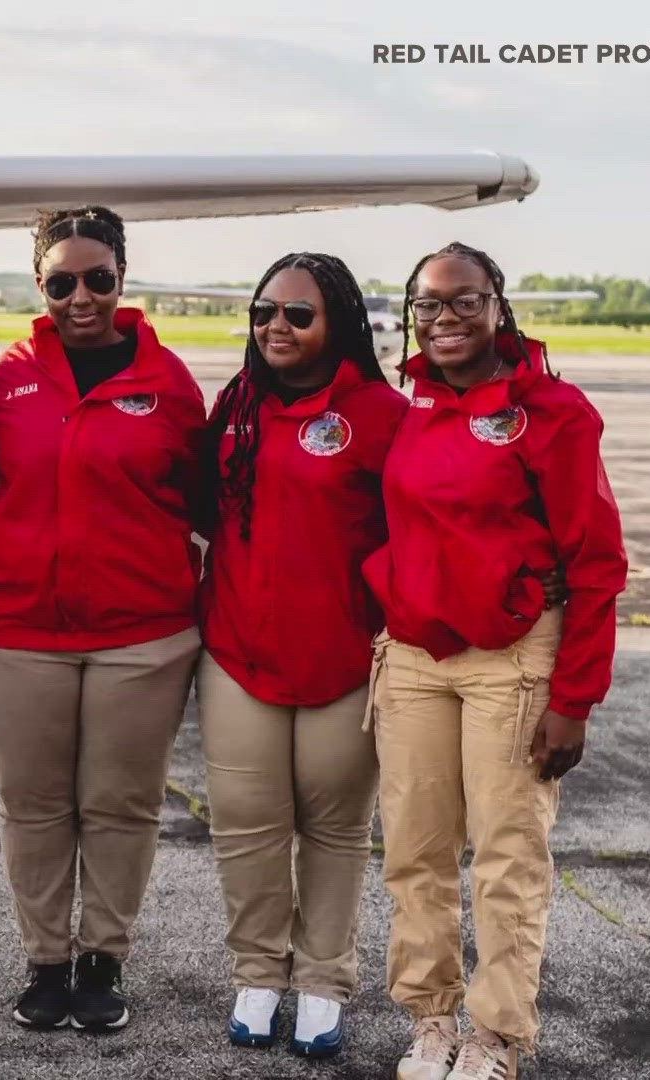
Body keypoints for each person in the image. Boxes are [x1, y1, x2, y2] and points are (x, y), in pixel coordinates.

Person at [365, 242, 626, 1080]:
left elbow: (595, 563)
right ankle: (431, 1019)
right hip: (412, 660)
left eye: (463, 302)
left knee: (508, 857)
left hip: (512, 661)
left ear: (498, 307)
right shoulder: (413, 407)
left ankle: (498, 1035)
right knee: (414, 851)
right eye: (429, 305)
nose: (444, 319)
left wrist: (575, 697)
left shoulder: (553, 411)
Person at [0, 205, 206, 1032]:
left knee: (120, 804)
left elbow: (206, 500)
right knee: (32, 805)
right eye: (61, 282)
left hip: (142, 635)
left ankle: (103, 958)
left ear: (123, 278)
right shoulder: (9, 377)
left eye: (98, 278)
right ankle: (45, 962)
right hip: (16, 631)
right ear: (40, 285)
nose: (81, 297)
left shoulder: (169, 385)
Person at [196, 252, 407, 1058]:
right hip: (240, 654)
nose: (275, 327)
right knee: (248, 825)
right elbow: (201, 506)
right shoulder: (238, 404)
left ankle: (323, 980)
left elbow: (409, 529)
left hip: (343, 661)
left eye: (296, 314)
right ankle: (258, 971)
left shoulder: (382, 414)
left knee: (334, 829)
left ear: (338, 324)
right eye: (263, 313)